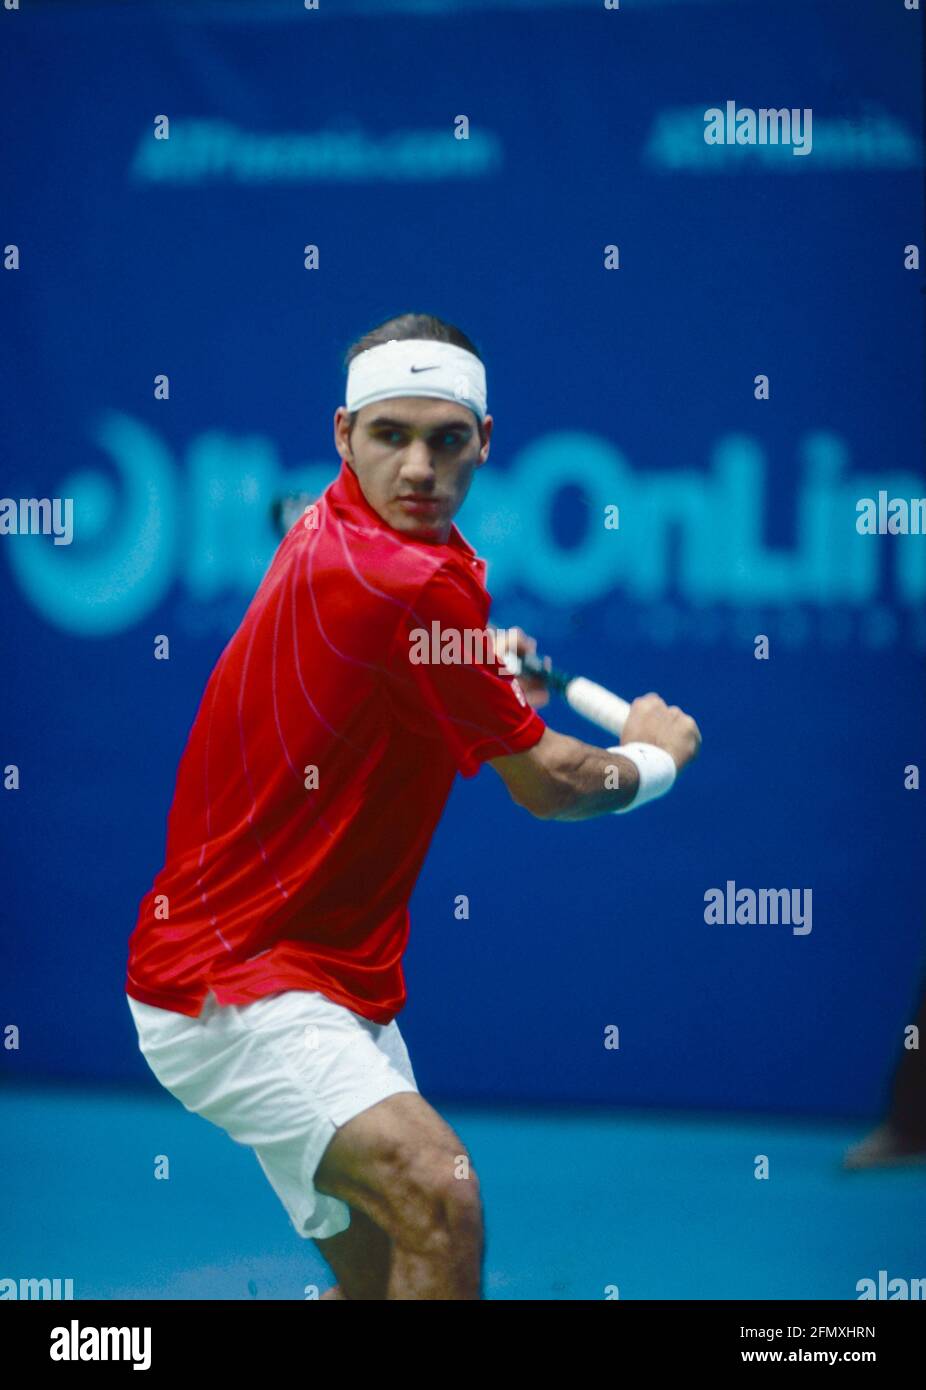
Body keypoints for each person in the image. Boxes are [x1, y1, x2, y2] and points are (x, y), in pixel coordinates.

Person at [125, 312, 701, 1300]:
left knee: (391, 1264)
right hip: (236, 981)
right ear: (343, 435)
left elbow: (391, 684)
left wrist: (476, 674)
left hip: (323, 978)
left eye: (446, 439)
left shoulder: (345, 527)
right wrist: (652, 758)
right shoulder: (406, 580)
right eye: (391, 436)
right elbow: (549, 785)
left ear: (486, 441)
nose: (420, 467)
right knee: (441, 1196)